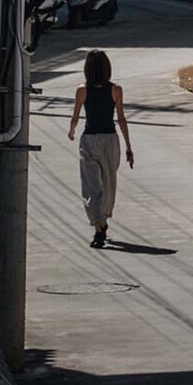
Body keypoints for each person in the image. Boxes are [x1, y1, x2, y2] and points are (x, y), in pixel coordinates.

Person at [67, 49, 134, 248]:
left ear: (87, 69)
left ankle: (100, 222)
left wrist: (71, 132)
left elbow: (75, 116)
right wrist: (128, 146)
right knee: (107, 184)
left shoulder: (82, 90)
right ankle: (99, 226)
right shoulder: (116, 90)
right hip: (110, 141)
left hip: (89, 140)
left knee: (92, 186)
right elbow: (121, 119)